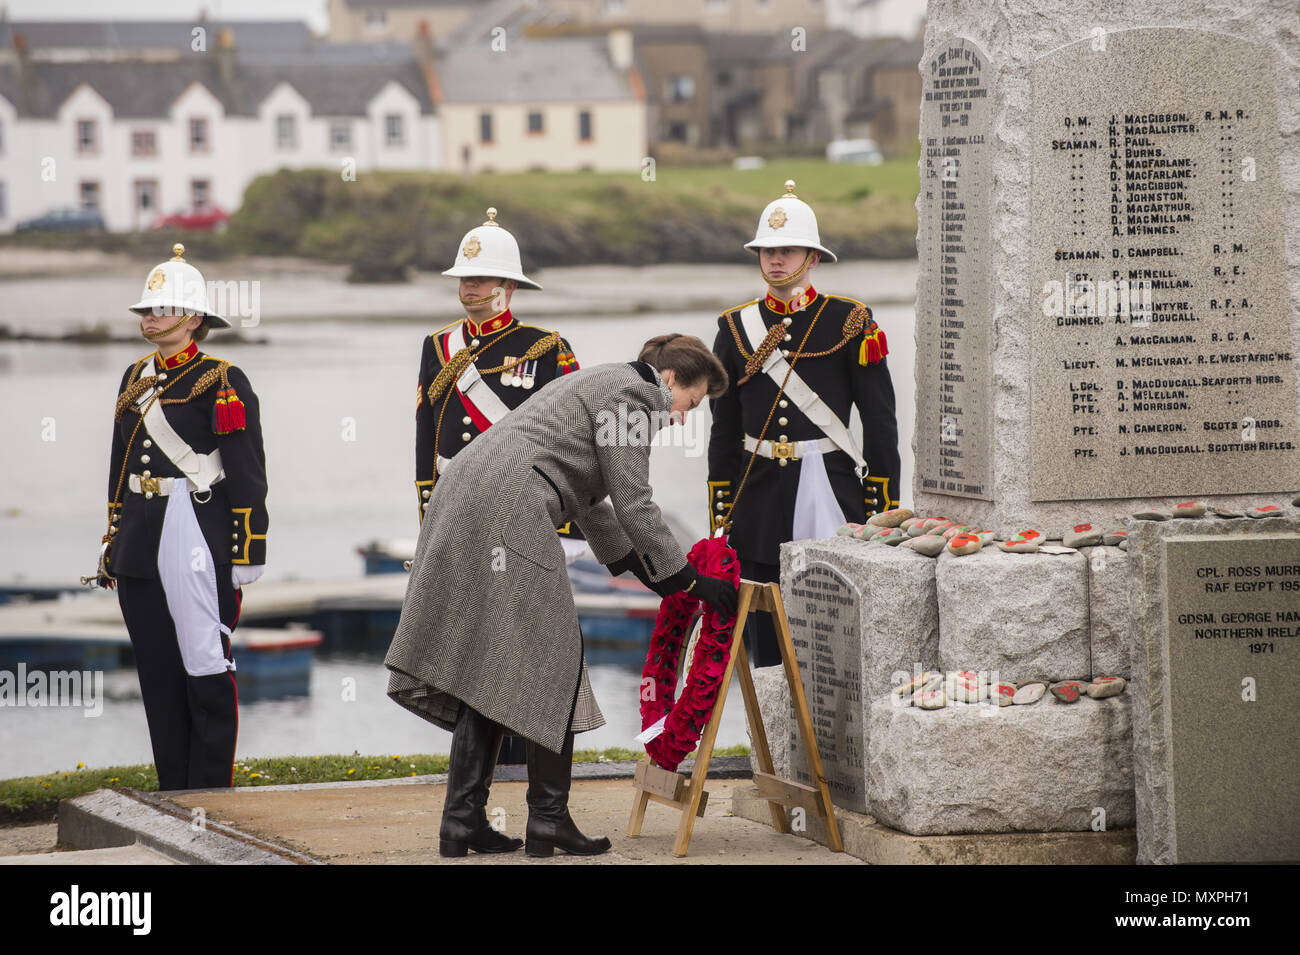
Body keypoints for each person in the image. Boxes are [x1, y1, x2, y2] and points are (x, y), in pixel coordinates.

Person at [385, 333, 737, 858]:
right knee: (555, 661)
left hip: (463, 497)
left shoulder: (601, 381)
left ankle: (462, 823)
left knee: (493, 665)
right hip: (509, 509)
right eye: (693, 402)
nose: (684, 417)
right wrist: (688, 580)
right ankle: (547, 822)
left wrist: (648, 575)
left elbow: (593, 503)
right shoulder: (636, 396)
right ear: (670, 381)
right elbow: (635, 501)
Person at [96, 244, 268, 791]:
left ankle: (211, 790)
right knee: (157, 667)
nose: (150, 319)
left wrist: (247, 549)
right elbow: (120, 465)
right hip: (142, 535)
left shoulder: (222, 379)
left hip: (197, 526)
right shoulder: (134, 376)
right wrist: (112, 540)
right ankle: (174, 787)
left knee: (204, 660)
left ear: (193, 319)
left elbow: (246, 470)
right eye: (146, 310)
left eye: (161, 310)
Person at [416, 206, 585, 763]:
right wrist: (428, 512)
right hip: (458, 513)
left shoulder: (545, 347)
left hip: (519, 513)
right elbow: (425, 436)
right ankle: (476, 771)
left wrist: (559, 516)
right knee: (466, 641)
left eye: (481, 278)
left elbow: (569, 439)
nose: (470, 287)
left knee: (520, 641)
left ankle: (517, 760)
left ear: (508, 285)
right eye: (464, 278)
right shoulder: (437, 348)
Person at [707, 179, 900, 667]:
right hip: (758, 490)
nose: (775, 260)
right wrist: (723, 497)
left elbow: (879, 419)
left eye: (788, 250)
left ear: (812, 257)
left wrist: (881, 497)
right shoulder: (734, 327)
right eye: (768, 250)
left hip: (830, 485)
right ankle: (773, 736)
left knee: (841, 626)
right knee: (766, 633)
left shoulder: (850, 320)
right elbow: (724, 426)